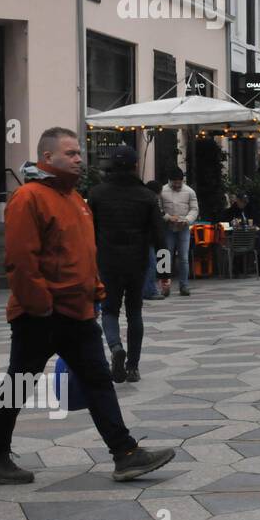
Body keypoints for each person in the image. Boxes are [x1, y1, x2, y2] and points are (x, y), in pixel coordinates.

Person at [0, 127, 175, 485]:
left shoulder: (75, 199)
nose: (79, 159)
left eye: (79, 153)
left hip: (77, 312)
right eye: (71, 153)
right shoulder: (29, 197)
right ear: (47, 158)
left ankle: (125, 453)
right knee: (21, 380)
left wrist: (95, 290)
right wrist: (40, 305)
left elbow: (83, 252)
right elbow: (20, 261)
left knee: (98, 380)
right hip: (42, 315)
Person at [87, 145, 166, 383]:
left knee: (109, 310)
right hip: (137, 264)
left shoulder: (97, 194)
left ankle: (115, 347)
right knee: (134, 312)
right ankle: (133, 367)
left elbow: (88, 233)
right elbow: (160, 235)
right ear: (134, 166)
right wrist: (165, 272)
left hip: (108, 263)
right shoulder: (147, 196)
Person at [159, 167, 198, 296]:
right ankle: (165, 286)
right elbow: (158, 209)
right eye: (174, 182)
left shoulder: (189, 192)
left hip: (183, 228)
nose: (177, 185)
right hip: (167, 227)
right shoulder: (162, 191)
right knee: (165, 257)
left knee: (184, 258)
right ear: (169, 181)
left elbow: (194, 209)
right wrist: (168, 218)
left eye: (179, 182)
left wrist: (187, 220)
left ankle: (184, 285)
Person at [225, 191, 260, 277]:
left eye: (245, 202)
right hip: (238, 235)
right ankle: (236, 270)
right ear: (237, 201)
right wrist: (233, 223)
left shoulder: (250, 208)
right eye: (241, 201)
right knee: (237, 242)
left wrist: (257, 227)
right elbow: (227, 221)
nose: (243, 204)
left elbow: (259, 222)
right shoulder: (232, 210)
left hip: (251, 235)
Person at [142, 178, 166, 301]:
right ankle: (149, 290)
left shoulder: (141, 199)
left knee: (145, 266)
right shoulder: (151, 201)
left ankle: (146, 289)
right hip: (148, 238)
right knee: (151, 265)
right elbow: (156, 223)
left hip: (140, 238)